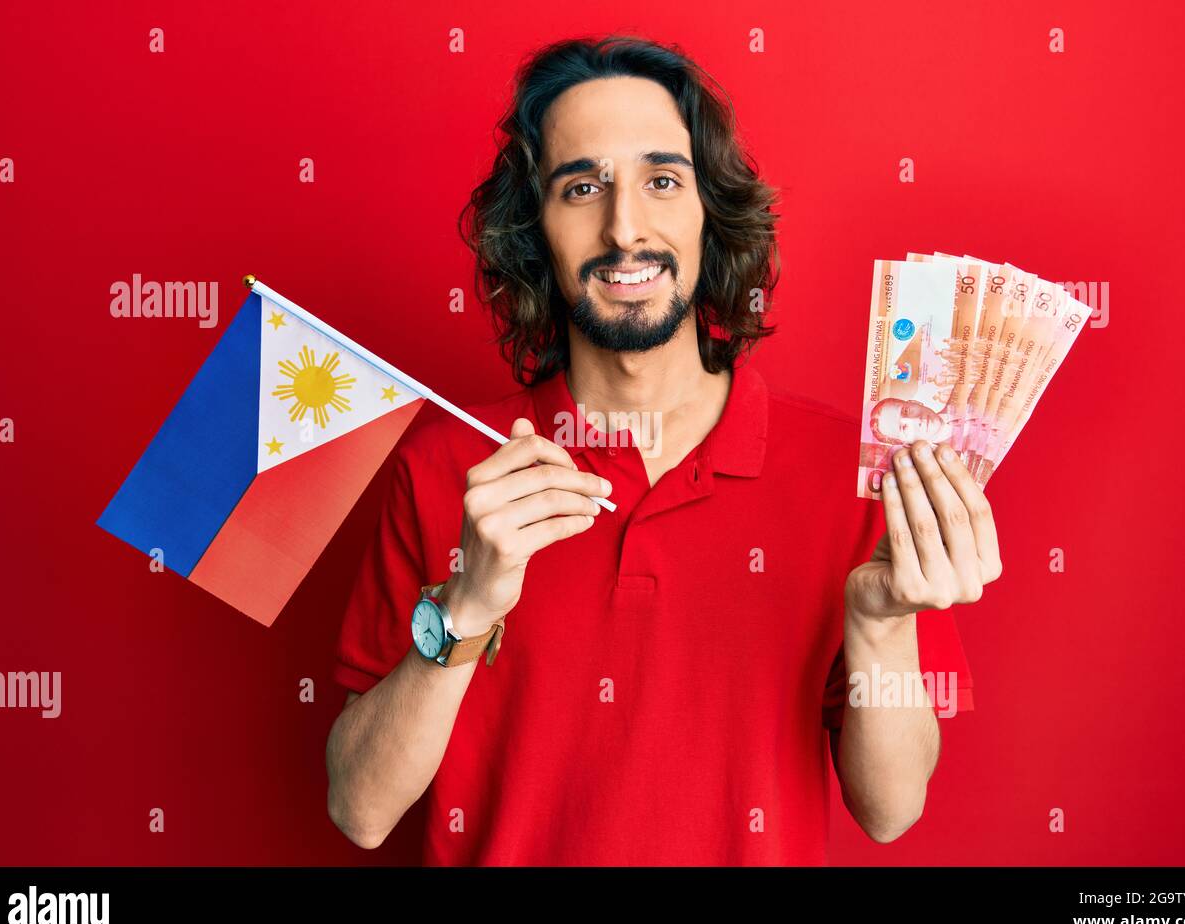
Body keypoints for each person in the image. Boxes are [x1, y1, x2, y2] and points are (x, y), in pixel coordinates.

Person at [324, 35, 1001, 865]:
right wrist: (466, 606)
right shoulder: (446, 468)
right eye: (582, 187)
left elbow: (891, 810)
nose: (624, 227)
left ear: (709, 215)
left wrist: (883, 626)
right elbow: (359, 810)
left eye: (661, 181)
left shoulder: (851, 469)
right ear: (535, 230)